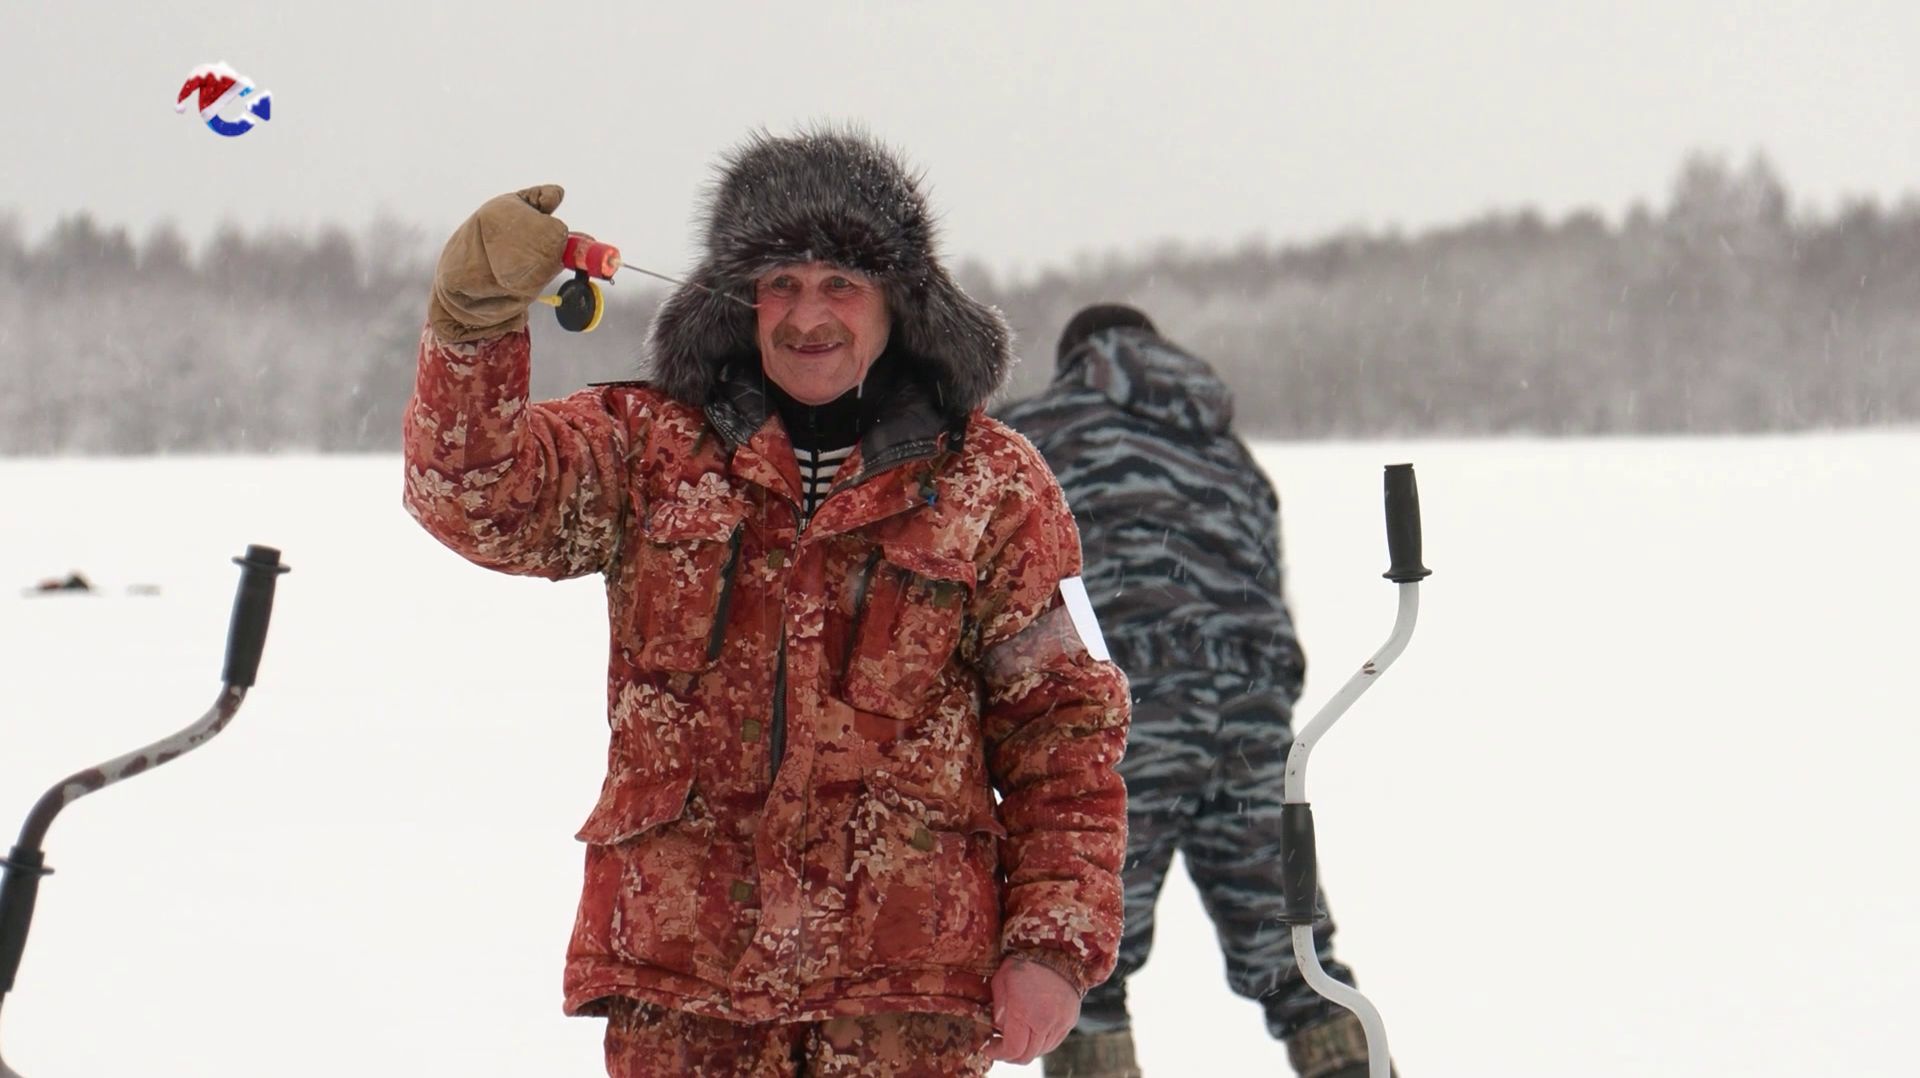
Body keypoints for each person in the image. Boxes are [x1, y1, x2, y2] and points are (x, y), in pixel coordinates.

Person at [400, 128, 1131, 1077]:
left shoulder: (994, 483)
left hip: (903, 1005)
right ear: (738, 297)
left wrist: (1053, 948)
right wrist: (472, 327)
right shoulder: (649, 449)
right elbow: (474, 495)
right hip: (683, 993)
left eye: (840, 284)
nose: (807, 315)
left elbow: (1064, 736)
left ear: (899, 300)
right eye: (780, 283)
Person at [998, 305, 1380, 1078]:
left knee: (1086, 961)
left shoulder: (1033, 435)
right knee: (1298, 958)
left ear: (1076, 361)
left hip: (1123, 710)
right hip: (1252, 715)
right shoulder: (1231, 455)